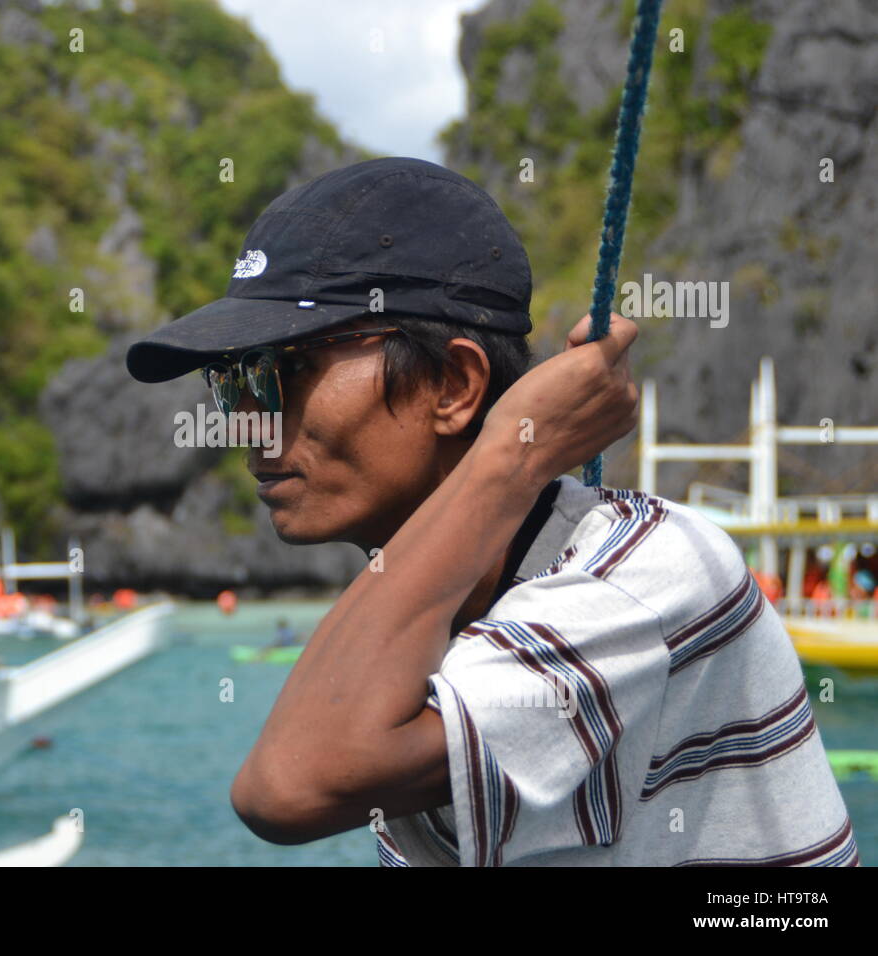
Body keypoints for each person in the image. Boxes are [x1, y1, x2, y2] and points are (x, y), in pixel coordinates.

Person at [126, 157, 857, 866]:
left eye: (280, 370)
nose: (247, 422)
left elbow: (287, 787)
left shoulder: (636, 578)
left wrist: (514, 453)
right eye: (231, 383)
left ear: (454, 384)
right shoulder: (429, 617)